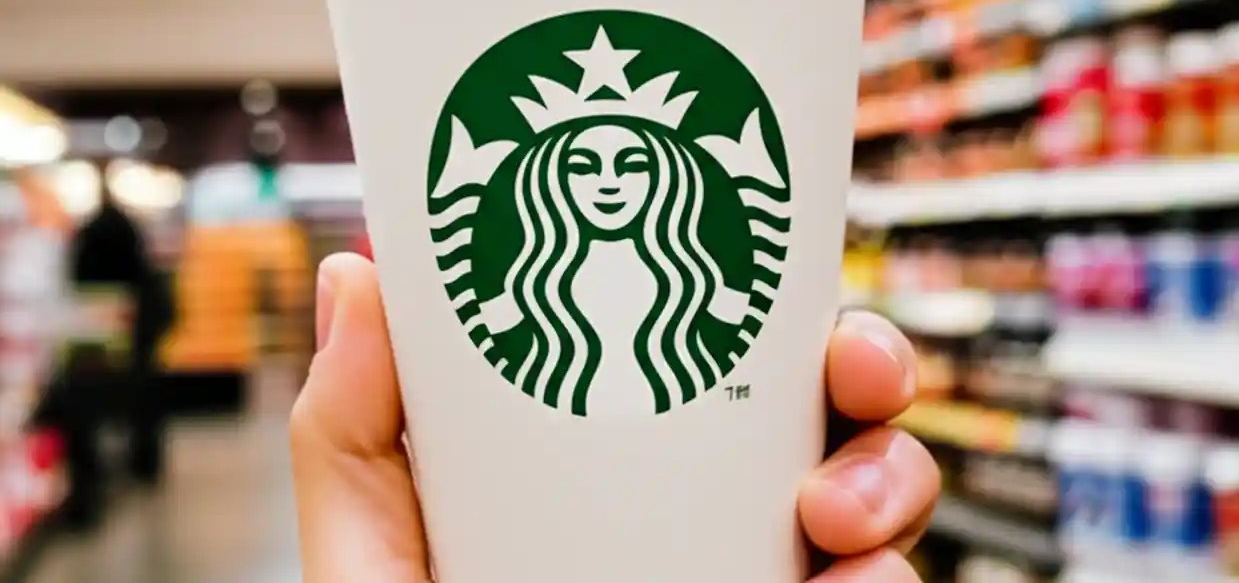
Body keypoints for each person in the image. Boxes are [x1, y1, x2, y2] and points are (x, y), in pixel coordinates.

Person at [291, 253, 941, 582]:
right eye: (582, 166)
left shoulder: (703, 294)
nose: (607, 182)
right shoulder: (527, 302)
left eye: (631, 162)